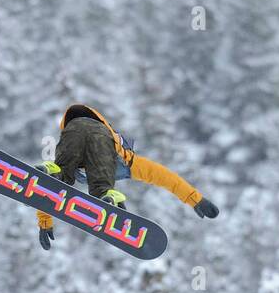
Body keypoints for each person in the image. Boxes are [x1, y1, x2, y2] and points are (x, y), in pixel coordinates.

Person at [34, 103, 218, 250]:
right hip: (101, 133)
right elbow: (164, 176)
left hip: (71, 128)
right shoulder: (129, 161)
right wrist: (195, 199)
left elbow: (48, 189)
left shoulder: (76, 143)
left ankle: (55, 171)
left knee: (59, 174)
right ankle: (107, 197)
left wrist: (44, 221)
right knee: (101, 185)